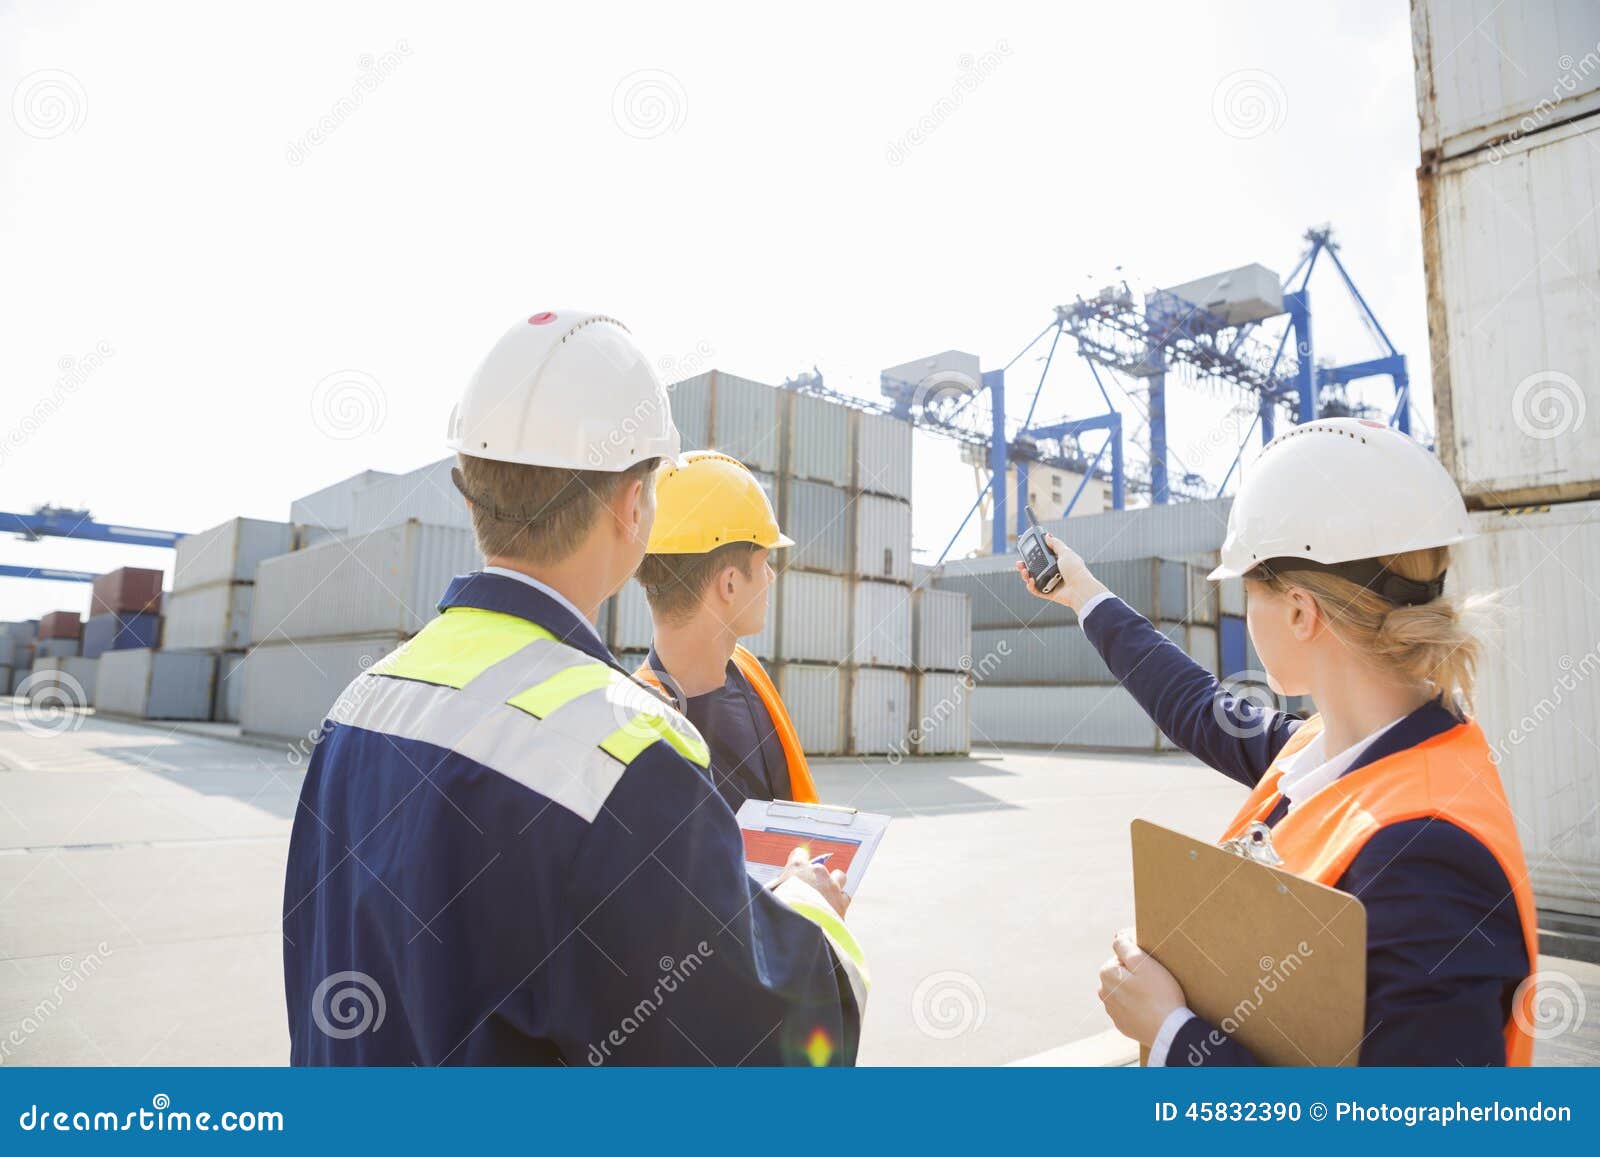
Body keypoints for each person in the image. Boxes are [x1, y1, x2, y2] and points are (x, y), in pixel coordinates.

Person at [282, 310, 866, 1066]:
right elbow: (765, 1052)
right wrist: (812, 911)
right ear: (632, 509)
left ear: (470, 497)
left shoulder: (358, 706)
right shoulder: (624, 758)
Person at [1018, 417, 1538, 1066]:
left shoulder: (1426, 864)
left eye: (1246, 587)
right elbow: (1200, 708)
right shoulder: (1339, 750)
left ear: (1298, 611)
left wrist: (1175, 1032)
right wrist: (1084, 595)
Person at [631, 450, 819, 812]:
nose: (771, 577)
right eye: (764, 563)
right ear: (730, 584)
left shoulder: (749, 672)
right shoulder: (642, 726)